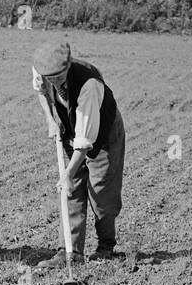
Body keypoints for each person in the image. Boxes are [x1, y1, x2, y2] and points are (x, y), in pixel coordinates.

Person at [31, 41, 125, 265]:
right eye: (49, 76)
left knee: (101, 190)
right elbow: (41, 91)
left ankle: (105, 247)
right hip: (70, 127)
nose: (53, 80)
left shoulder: (88, 85)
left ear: (68, 65)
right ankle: (70, 252)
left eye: (58, 76)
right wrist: (50, 120)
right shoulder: (42, 68)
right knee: (71, 190)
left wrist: (67, 173)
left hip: (102, 133)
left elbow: (84, 143)